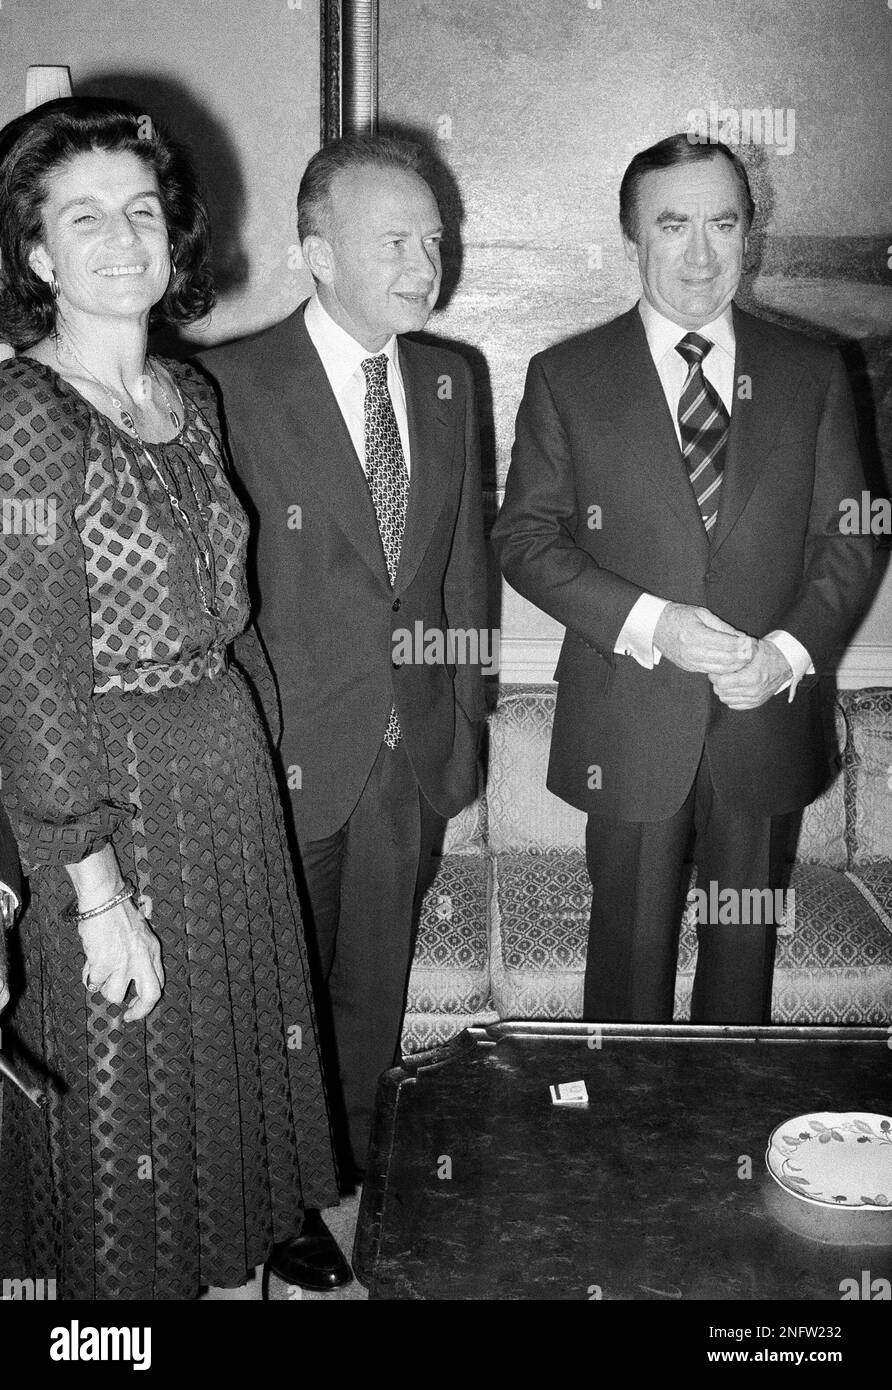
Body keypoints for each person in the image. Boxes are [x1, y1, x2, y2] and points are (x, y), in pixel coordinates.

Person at [0, 96, 338, 1300]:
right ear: (38, 255)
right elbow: (30, 678)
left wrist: (254, 756)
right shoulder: (23, 420)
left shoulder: (186, 399)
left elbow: (227, 615)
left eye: (141, 209)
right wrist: (96, 897)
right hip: (108, 798)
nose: (122, 237)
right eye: (81, 216)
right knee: (125, 1112)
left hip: (221, 778)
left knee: (220, 1093)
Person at [492, 133, 874, 1025]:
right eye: (674, 224)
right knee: (625, 970)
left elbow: (850, 537)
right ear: (633, 239)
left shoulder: (812, 373)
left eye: (723, 223)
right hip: (627, 721)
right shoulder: (567, 376)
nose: (701, 253)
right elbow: (524, 537)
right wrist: (649, 621)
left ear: (750, 236)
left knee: (744, 968)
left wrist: (785, 654)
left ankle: (728, 1151)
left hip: (765, 717)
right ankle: (623, 1152)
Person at [197, 133, 488, 1285]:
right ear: (314, 250)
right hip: (285, 755)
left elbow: (460, 563)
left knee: (376, 983)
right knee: (278, 998)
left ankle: (356, 1175)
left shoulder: (451, 377)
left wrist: (461, 722)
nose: (425, 262)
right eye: (395, 240)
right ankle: (275, 1204)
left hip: (408, 753)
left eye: (434, 238)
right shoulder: (223, 382)